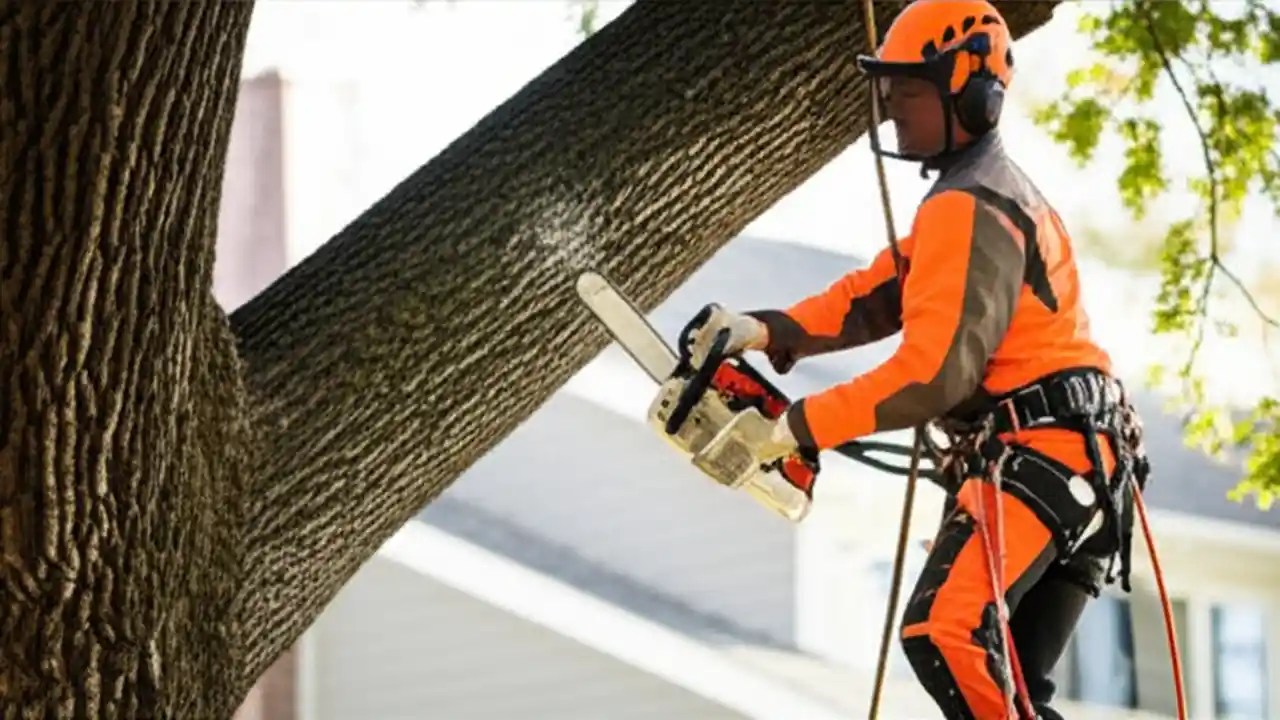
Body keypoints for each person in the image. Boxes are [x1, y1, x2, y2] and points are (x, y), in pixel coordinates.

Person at [679, 1, 1151, 718]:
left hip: (1047, 461)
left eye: (910, 92)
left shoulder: (972, 204)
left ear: (973, 92)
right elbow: (874, 296)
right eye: (890, 93)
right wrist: (765, 329)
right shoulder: (978, 196)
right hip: (1081, 471)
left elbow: (934, 375)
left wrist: (792, 429)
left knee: (944, 631)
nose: (894, 110)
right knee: (1013, 689)